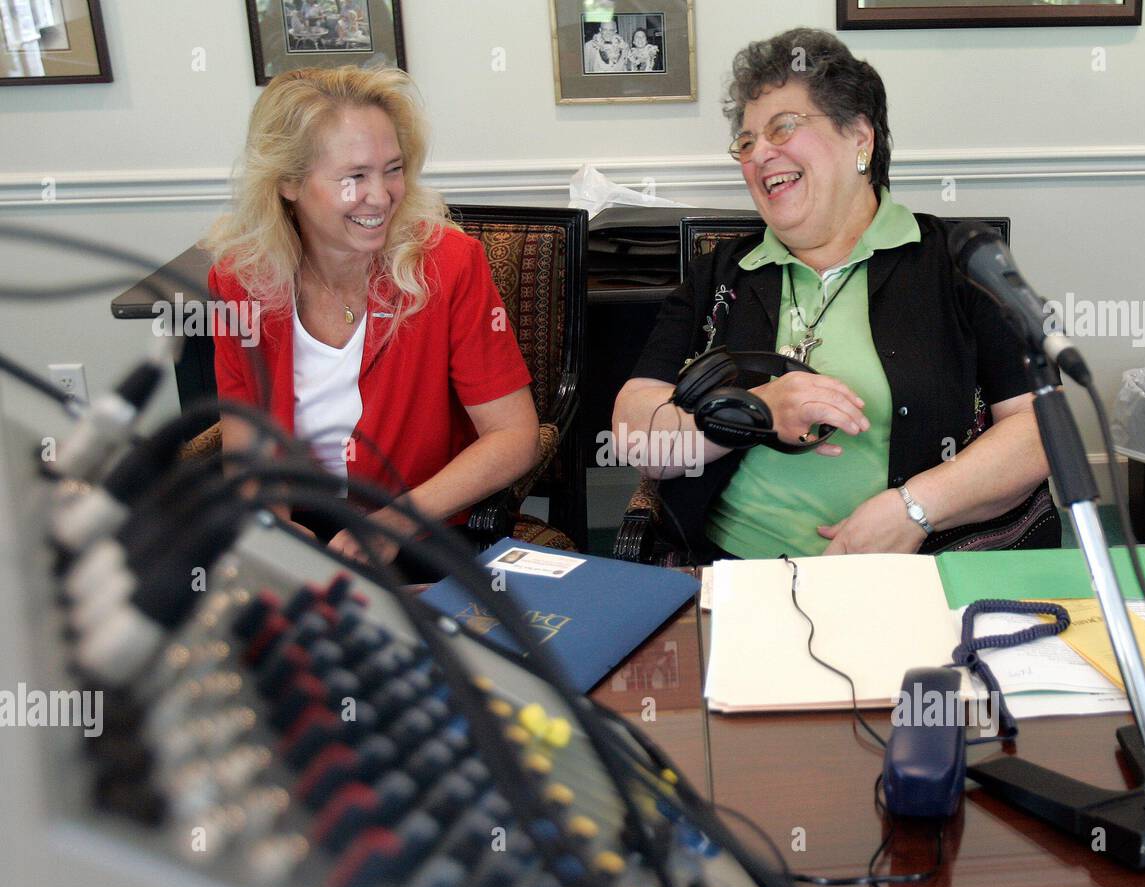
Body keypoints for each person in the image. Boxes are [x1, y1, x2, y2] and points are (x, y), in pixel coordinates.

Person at [612, 28, 1057, 561]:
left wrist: (915, 509)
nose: (759, 154)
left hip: (921, 572)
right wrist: (756, 413)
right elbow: (633, 434)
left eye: (783, 128)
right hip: (736, 573)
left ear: (860, 139)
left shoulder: (957, 263)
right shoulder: (721, 274)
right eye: (747, 142)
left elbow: (1039, 427)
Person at [203, 66, 538, 568]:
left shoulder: (449, 264)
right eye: (354, 177)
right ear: (289, 182)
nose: (380, 196)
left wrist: (396, 523)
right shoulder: (240, 282)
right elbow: (246, 443)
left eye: (393, 169)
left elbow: (514, 436)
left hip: (425, 526)